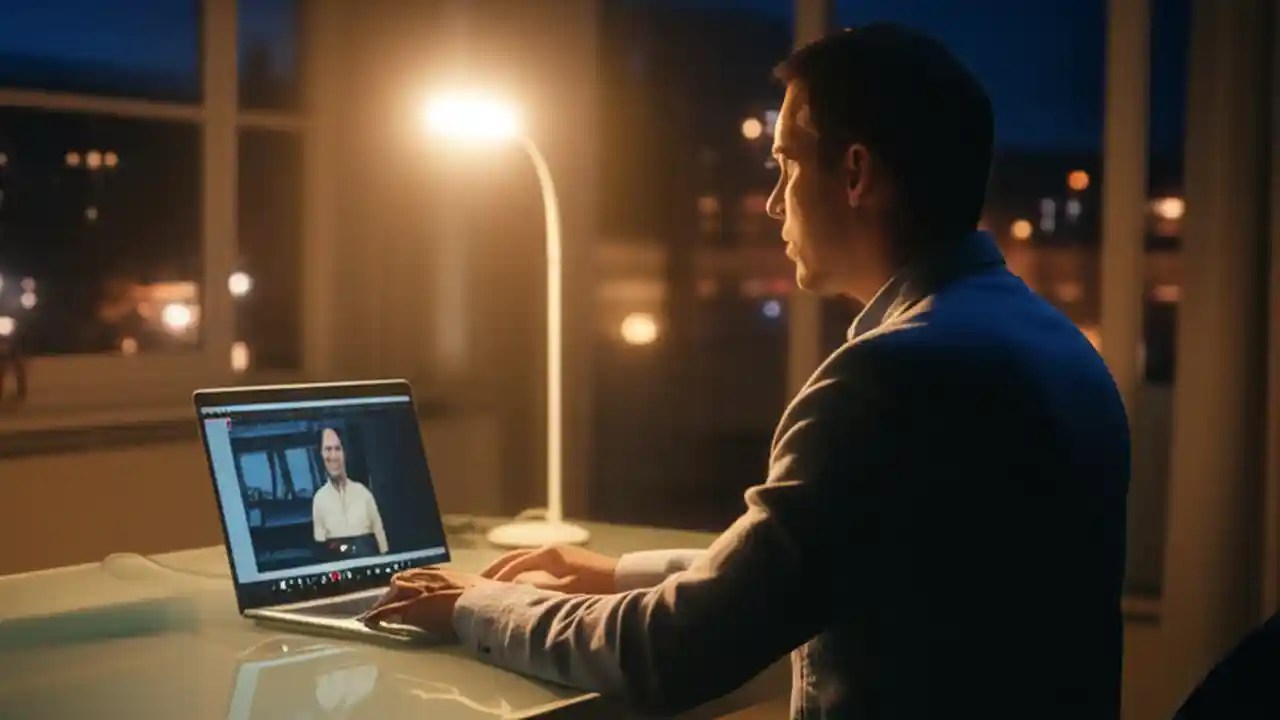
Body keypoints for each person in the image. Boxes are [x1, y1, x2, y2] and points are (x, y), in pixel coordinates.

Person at [361, 24, 1130, 719]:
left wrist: (480, 606)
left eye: (786, 164)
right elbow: (846, 561)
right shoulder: (1050, 344)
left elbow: (670, 653)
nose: (771, 203)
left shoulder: (892, 377)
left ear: (855, 173)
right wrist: (620, 571)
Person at [311, 427, 388, 554]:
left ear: (344, 453)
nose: (333, 456)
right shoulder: (319, 500)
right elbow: (322, 553)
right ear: (320, 455)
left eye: (337, 449)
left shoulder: (364, 494)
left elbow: (382, 543)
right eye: (328, 449)